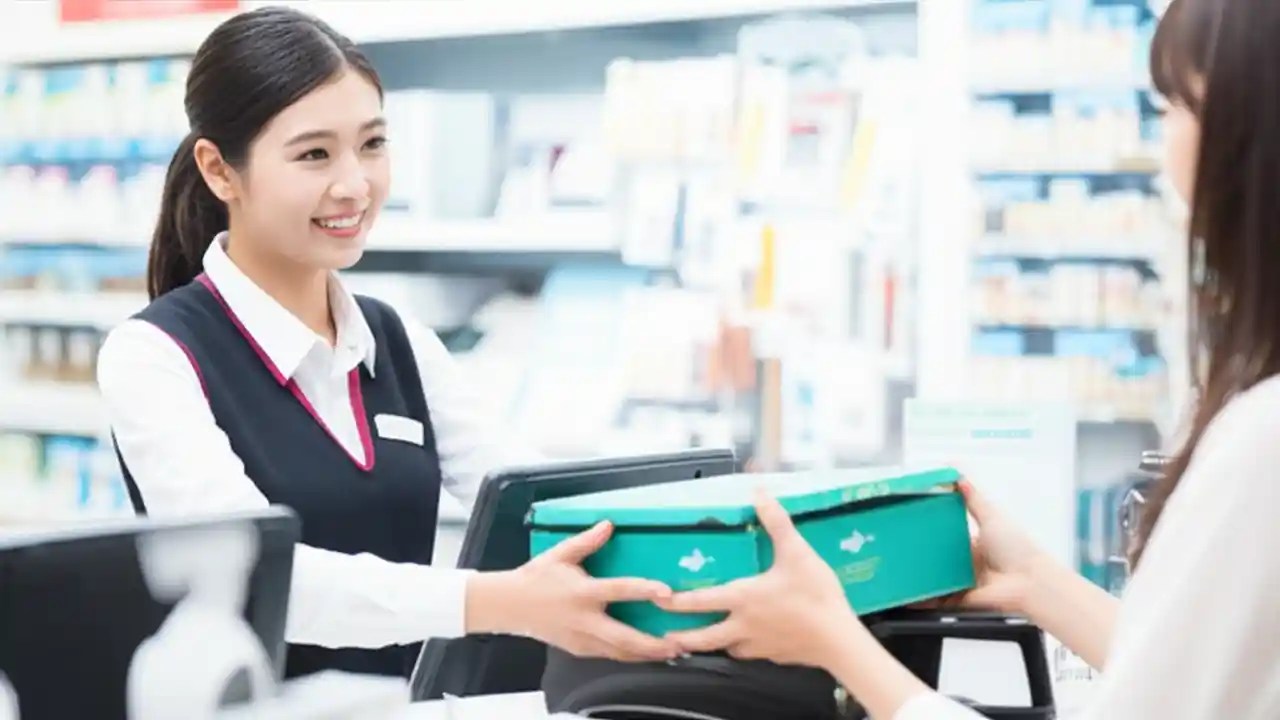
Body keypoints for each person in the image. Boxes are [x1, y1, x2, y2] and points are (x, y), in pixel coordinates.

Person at [658, 0, 1280, 717]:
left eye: (1174, 105)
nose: (1162, 142)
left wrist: (835, 642)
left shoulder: (1260, 443)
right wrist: (1034, 582)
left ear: (1246, 140)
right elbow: (1193, 682)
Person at [97, 6, 679, 681]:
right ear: (220, 170)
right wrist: (496, 601)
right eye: (314, 154)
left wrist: (697, 526)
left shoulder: (398, 341)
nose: (355, 184)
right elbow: (264, 577)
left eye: (372, 144)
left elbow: (527, 494)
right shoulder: (156, 357)